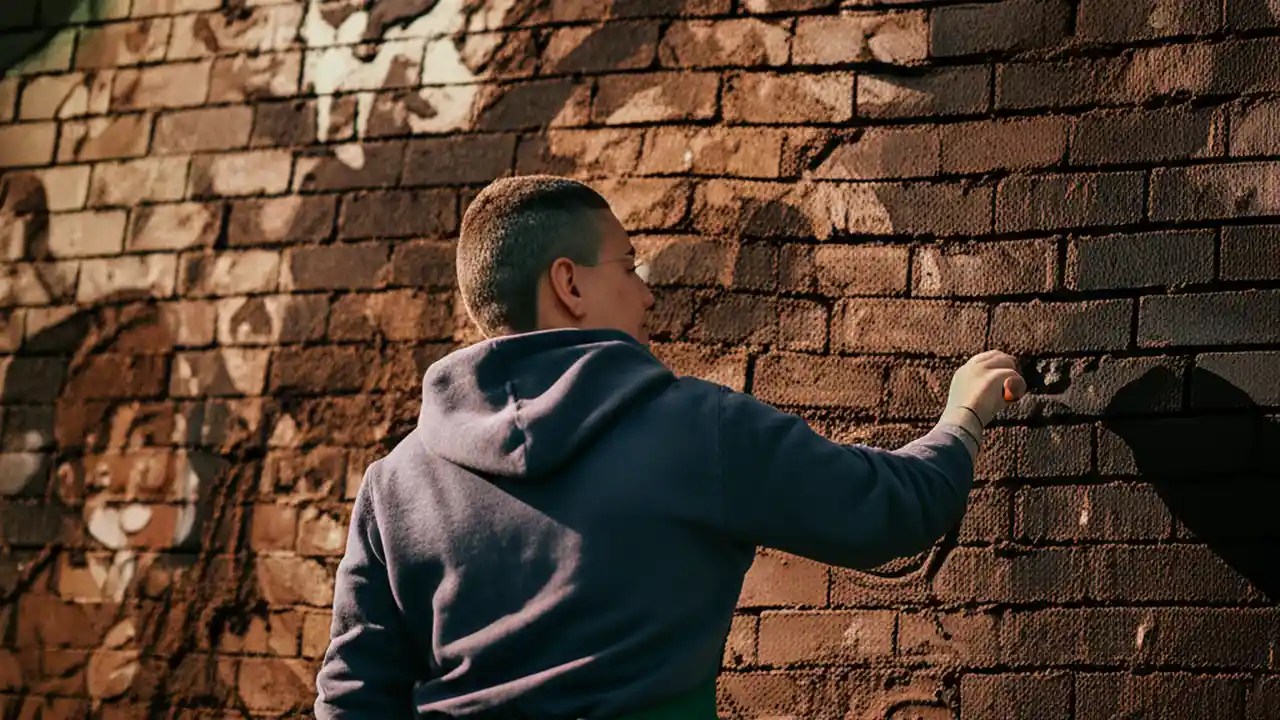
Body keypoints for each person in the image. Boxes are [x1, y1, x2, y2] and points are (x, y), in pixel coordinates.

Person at [313, 175, 1026, 719]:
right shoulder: (695, 429)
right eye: (628, 266)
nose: (647, 295)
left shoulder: (394, 483)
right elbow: (890, 512)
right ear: (569, 284)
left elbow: (352, 697)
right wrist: (962, 417)